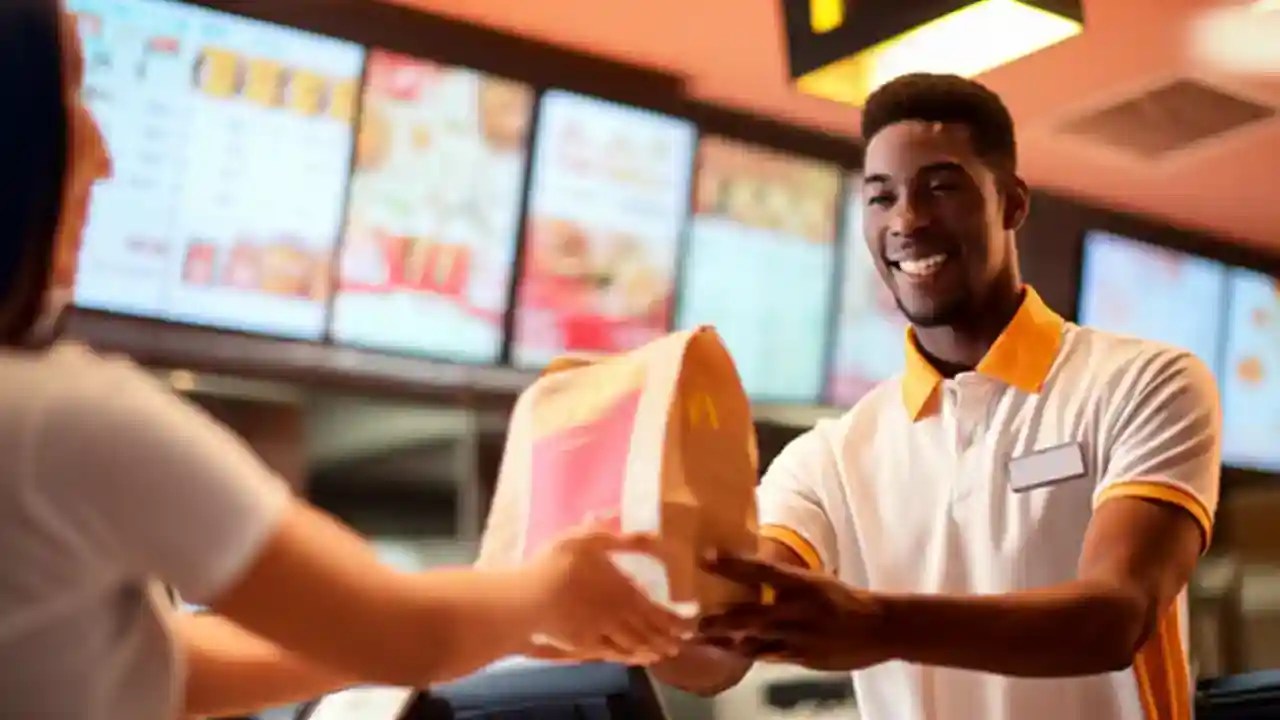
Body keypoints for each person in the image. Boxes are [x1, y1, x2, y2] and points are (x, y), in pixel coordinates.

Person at [0, 2, 690, 719]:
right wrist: (547, 591)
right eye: (73, 100)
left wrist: (503, 617)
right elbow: (408, 635)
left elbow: (172, 670)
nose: (104, 155)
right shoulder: (63, 418)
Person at [655, 73, 1220, 720]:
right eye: (881, 197)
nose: (908, 221)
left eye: (941, 188)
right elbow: (714, 655)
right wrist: (637, 589)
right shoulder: (829, 458)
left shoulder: (1144, 383)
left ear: (1011, 203)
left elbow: (1115, 616)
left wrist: (877, 624)